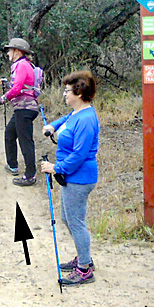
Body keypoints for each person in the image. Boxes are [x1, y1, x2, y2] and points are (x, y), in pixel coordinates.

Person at [40, 70, 100, 286]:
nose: (64, 94)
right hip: (72, 176)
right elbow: (67, 119)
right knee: (68, 218)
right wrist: (53, 125)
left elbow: (79, 155)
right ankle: (83, 256)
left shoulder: (86, 120)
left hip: (79, 178)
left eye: (67, 91)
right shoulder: (78, 113)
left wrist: (55, 168)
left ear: (80, 93)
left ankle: (85, 268)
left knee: (75, 221)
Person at [0, 38, 40, 186]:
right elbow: (20, 85)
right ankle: (12, 165)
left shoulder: (22, 65)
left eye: (9, 50)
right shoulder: (25, 65)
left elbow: (17, 89)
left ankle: (30, 176)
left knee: (26, 142)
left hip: (24, 109)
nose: (8, 53)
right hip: (24, 108)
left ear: (17, 51)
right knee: (10, 134)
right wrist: (7, 84)